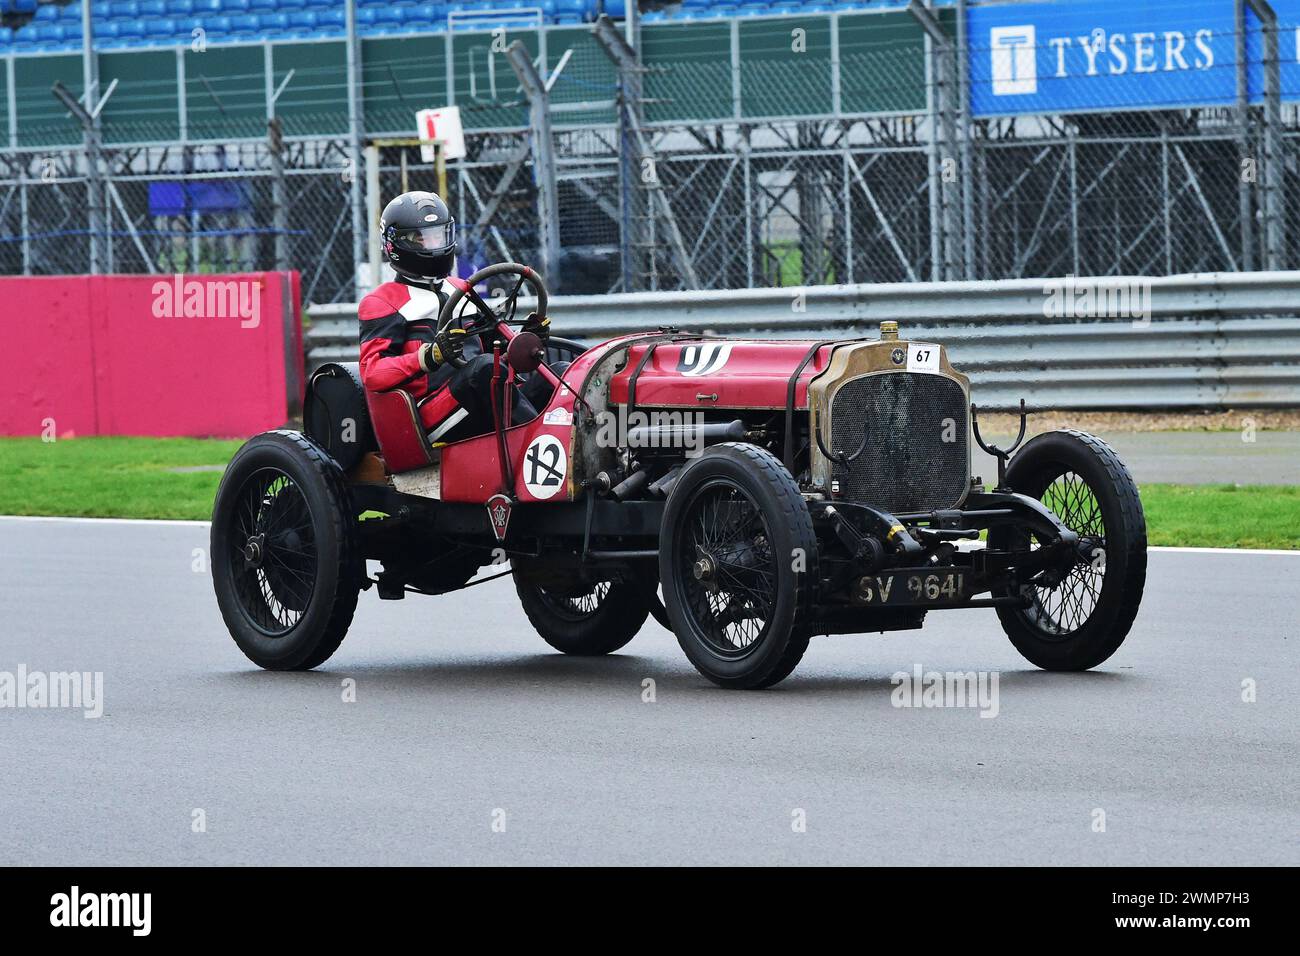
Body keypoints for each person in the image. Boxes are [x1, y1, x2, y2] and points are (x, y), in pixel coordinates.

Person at [357, 190, 551, 443]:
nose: (434, 244)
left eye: (438, 235)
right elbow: (373, 373)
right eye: (423, 238)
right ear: (396, 244)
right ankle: (539, 443)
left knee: (557, 374)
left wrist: (524, 340)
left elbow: (494, 350)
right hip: (427, 418)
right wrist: (429, 356)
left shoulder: (460, 288)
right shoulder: (382, 301)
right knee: (483, 369)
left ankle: (573, 447)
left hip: (477, 396)